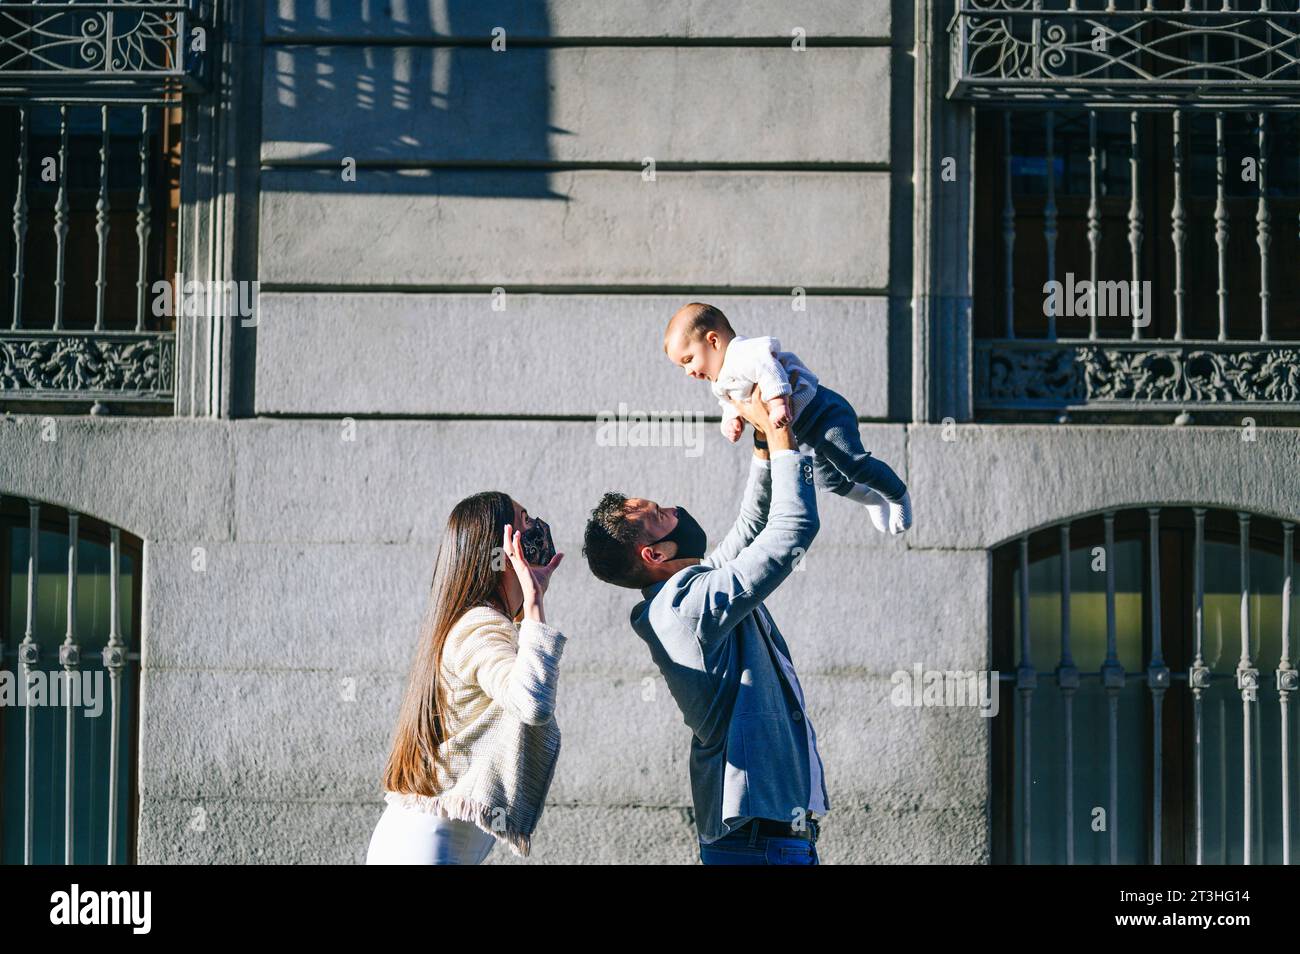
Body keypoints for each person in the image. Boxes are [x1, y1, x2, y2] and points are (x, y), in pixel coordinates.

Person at [582, 384, 828, 864]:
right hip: (759, 843)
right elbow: (789, 533)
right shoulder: (687, 606)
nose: (674, 510)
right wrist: (781, 432)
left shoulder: (685, 594)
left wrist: (760, 439)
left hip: (763, 838)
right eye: (660, 516)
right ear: (654, 555)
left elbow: (751, 529)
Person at [366, 492, 566, 864]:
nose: (537, 526)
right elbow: (532, 702)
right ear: (501, 545)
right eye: (525, 520)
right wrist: (535, 600)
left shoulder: (483, 621)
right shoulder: (479, 625)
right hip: (427, 845)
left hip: (428, 839)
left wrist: (528, 597)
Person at [664, 301, 912, 534]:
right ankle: (871, 499)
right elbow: (731, 405)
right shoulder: (719, 382)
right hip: (801, 433)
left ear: (713, 340)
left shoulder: (744, 353)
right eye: (681, 367)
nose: (689, 371)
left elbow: (770, 369)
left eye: (688, 360)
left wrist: (778, 401)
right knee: (828, 482)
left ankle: (897, 495)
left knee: (853, 463)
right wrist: (731, 422)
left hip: (823, 413)